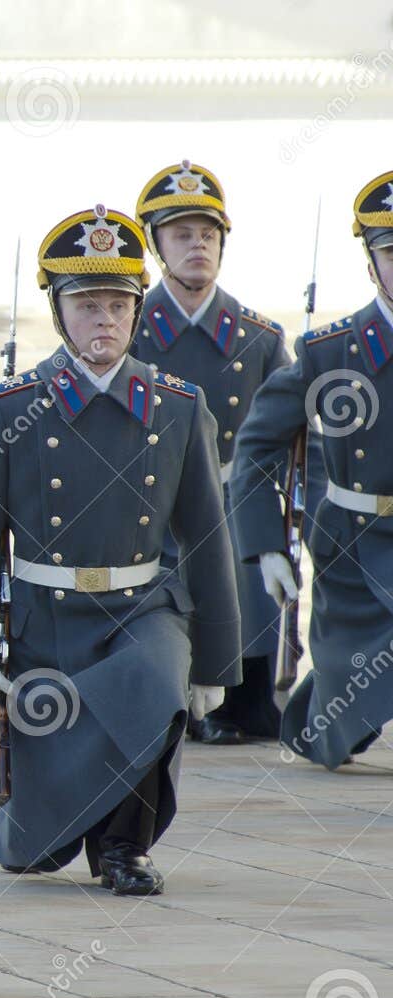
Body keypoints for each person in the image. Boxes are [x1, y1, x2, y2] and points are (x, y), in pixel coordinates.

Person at [0, 206, 239, 896]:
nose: (103, 319)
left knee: (157, 686)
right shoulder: (13, 409)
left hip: (142, 605)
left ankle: (125, 848)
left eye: (117, 304)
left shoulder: (178, 407)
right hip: (48, 618)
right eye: (86, 305)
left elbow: (207, 537)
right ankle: (64, 831)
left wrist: (215, 657)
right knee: (36, 844)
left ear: (137, 311)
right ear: (57, 311)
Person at [230, 170, 393, 769]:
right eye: (392, 251)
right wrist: (266, 546)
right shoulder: (332, 351)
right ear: (371, 263)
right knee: (333, 731)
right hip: (354, 545)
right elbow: (256, 447)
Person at [131, 160, 298, 743]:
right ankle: (188, 700)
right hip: (147, 497)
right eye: (182, 234)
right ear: (156, 245)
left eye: (208, 234)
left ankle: (246, 698)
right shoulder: (125, 332)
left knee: (243, 551)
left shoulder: (259, 337)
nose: (197, 245)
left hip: (233, 490)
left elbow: (289, 431)